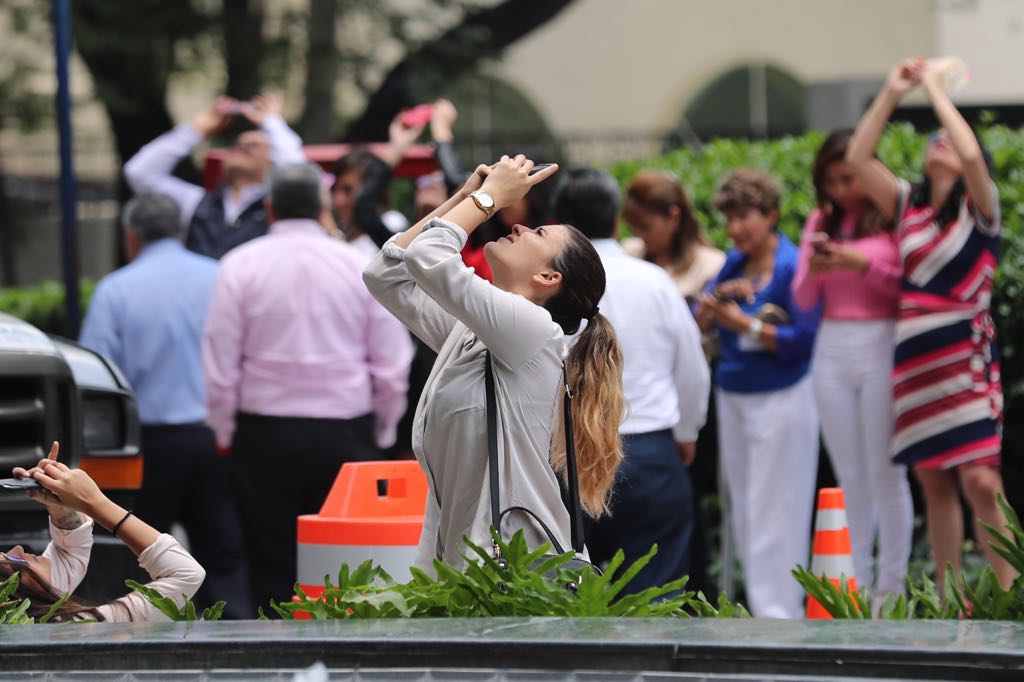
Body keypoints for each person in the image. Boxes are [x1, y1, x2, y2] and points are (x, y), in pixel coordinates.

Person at [363, 156, 625, 568]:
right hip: (460, 566)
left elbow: (431, 255)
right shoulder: (470, 333)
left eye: (537, 232)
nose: (516, 225)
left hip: (514, 568)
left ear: (548, 278)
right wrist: (466, 196)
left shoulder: (534, 330)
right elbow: (386, 273)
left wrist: (490, 200)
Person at [203, 163, 414, 605]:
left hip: (263, 434)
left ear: (270, 208)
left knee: (269, 562)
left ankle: (277, 661)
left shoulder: (239, 265)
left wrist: (225, 433)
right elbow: (392, 365)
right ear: (322, 207)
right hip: (346, 432)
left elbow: (220, 362)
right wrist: (382, 432)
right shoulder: (357, 264)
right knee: (348, 564)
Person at [846, 57, 1014, 590]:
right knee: (933, 482)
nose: (939, 142)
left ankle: (1012, 596)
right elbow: (856, 157)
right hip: (915, 367)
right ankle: (952, 604)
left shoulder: (982, 211)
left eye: (947, 137)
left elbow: (969, 151)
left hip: (965, 362)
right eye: (932, 138)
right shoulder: (908, 208)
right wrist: (894, 91)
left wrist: (937, 90)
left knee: (982, 480)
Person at [78, 193, 252, 618]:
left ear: (132, 237)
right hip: (216, 439)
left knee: (140, 556)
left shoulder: (115, 289)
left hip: (147, 445)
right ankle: (239, 646)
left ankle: (137, 645)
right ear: (181, 231)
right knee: (223, 557)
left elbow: (95, 375)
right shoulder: (222, 276)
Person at [554, 169, 710, 593]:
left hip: (571, 451)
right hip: (653, 451)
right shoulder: (655, 281)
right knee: (655, 598)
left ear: (557, 224)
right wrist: (686, 432)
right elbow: (693, 369)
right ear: (618, 217)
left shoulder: (551, 285)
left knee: (565, 598)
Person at [791, 130, 914, 603]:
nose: (842, 189)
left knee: (887, 471)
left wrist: (860, 264)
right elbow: (802, 298)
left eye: (849, 177)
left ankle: (893, 589)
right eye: (832, 180)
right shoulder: (822, 219)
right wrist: (818, 264)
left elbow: (908, 288)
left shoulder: (895, 215)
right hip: (833, 345)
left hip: (883, 341)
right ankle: (857, 588)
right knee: (850, 475)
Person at [695, 168, 820, 619]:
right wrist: (715, 303)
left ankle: (780, 613)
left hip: (782, 396)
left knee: (779, 508)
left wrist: (744, 324)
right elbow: (699, 315)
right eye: (729, 218)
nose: (734, 229)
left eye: (744, 216)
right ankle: (760, 608)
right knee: (745, 508)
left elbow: (804, 338)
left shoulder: (793, 266)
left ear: (771, 215)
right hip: (734, 396)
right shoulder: (732, 263)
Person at [2, 443, 205, 623]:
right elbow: (186, 574)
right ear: (14, 600)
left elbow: (68, 556)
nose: (17, 549)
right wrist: (95, 503)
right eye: (13, 563)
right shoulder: (79, 625)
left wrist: (59, 505)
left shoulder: (26, 619)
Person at [124, 92, 306, 259]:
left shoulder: (278, 208)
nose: (241, 147)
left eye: (253, 146)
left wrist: (271, 122)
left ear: (274, 163)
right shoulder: (198, 203)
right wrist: (197, 129)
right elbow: (140, 173)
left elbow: (300, 176)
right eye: (236, 145)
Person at [623, 170, 726, 304]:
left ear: (674, 216)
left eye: (645, 227)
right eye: (633, 227)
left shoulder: (709, 265)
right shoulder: (629, 253)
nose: (639, 235)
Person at [330, 113, 422, 259]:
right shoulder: (341, 230)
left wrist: (395, 151)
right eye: (334, 189)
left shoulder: (392, 222)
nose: (338, 199)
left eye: (348, 190)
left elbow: (365, 210)